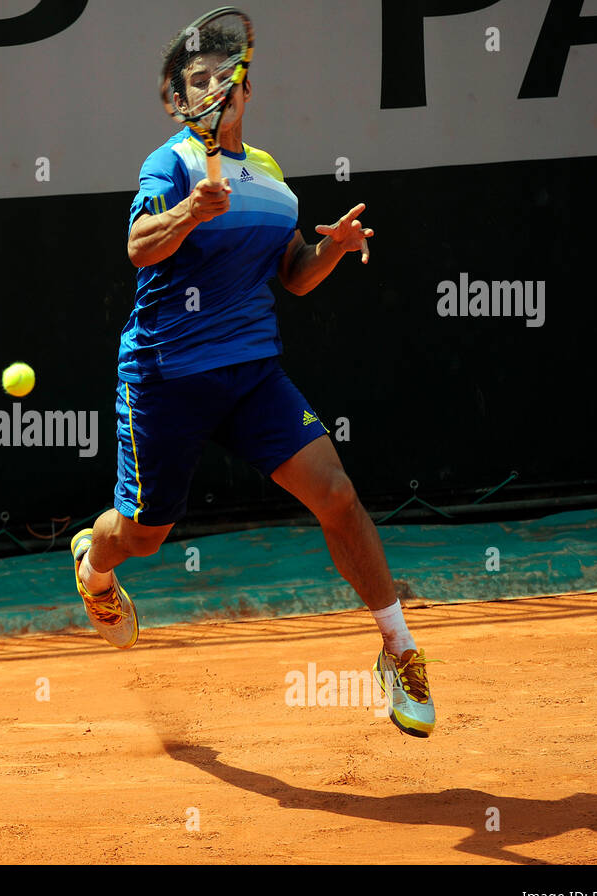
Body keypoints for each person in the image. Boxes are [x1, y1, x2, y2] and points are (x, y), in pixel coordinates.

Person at [69, 21, 436, 737]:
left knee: (337, 494)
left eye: (222, 75)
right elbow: (141, 248)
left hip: (250, 377)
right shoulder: (169, 164)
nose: (212, 87)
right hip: (167, 377)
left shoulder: (267, 172)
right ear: (180, 100)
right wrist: (186, 213)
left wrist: (330, 247)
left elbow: (293, 275)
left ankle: (400, 647)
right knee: (144, 534)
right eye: (196, 81)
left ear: (244, 86)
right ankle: (95, 563)